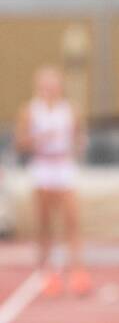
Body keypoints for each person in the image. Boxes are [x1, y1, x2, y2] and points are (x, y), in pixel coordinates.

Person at [15, 67, 91, 296]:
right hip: (43, 167)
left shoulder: (70, 110)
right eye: (45, 85)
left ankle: (77, 272)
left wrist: (77, 145)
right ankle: (47, 273)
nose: (50, 89)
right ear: (39, 87)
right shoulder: (29, 110)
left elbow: (80, 138)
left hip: (63, 166)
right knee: (45, 223)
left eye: (54, 84)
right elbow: (20, 142)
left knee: (72, 220)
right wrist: (39, 138)